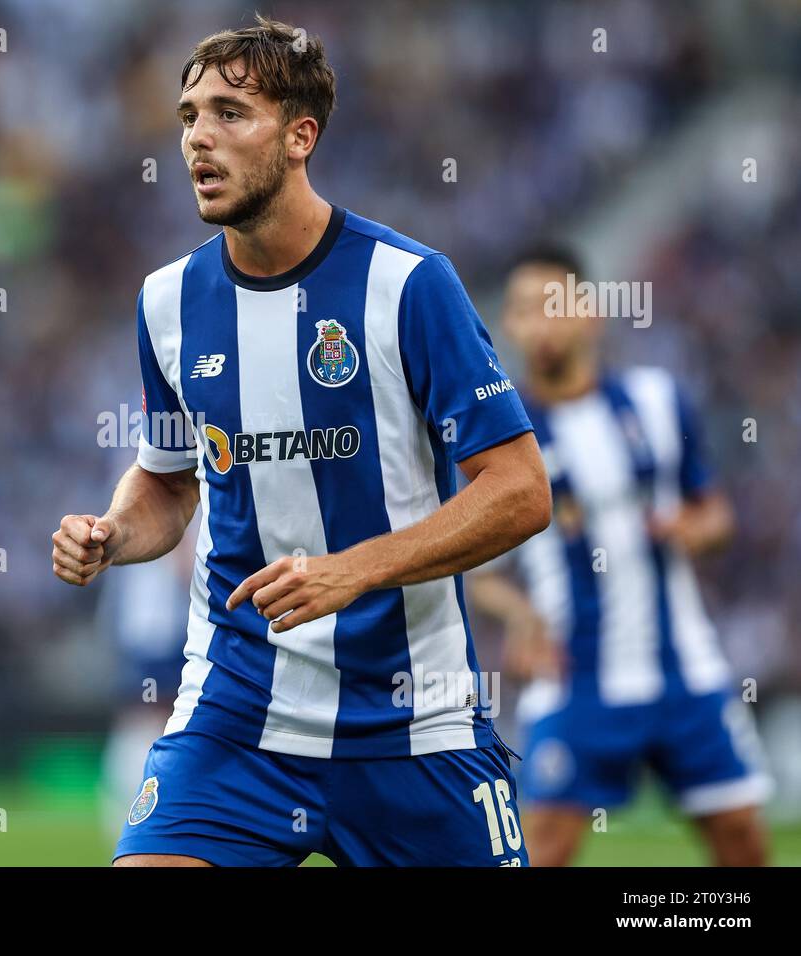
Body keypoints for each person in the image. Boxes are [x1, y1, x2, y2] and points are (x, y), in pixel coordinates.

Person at [51, 15, 550, 866]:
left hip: (412, 719)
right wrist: (110, 533)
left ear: (299, 136)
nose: (199, 139)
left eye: (230, 113)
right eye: (187, 117)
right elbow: (168, 482)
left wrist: (351, 570)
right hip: (237, 714)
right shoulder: (166, 302)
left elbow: (519, 491)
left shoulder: (407, 285)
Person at [466, 244, 773, 866]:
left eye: (552, 305)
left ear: (589, 311)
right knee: (540, 850)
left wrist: (695, 530)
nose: (538, 322)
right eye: (524, 310)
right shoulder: (502, 430)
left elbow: (713, 511)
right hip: (577, 675)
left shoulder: (658, 400)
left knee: (742, 840)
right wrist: (521, 614)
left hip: (684, 669)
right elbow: (472, 566)